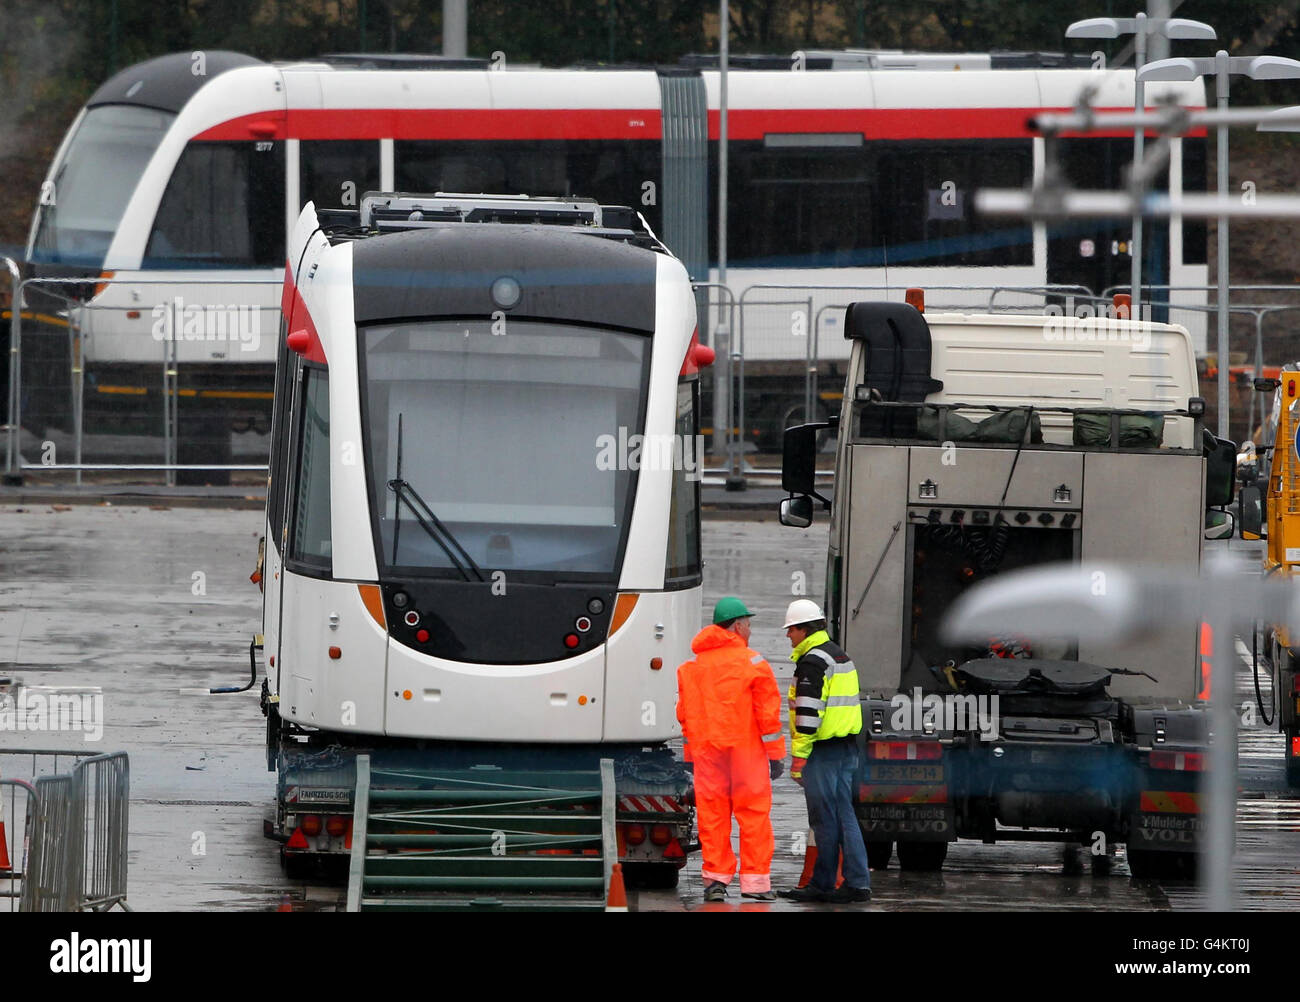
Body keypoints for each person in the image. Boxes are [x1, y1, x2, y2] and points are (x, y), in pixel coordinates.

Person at [677, 596, 786, 902]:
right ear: (737, 627)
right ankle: (756, 884)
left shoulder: (691, 668)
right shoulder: (754, 663)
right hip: (746, 756)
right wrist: (776, 755)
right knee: (753, 817)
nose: (749, 630)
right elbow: (768, 716)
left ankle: (715, 882)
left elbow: (685, 716)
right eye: (748, 625)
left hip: (708, 756)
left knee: (713, 817)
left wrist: (690, 757)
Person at [779, 599, 871, 903]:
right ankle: (857, 883)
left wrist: (799, 760)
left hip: (823, 751)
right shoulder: (840, 656)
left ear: (804, 629)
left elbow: (807, 717)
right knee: (844, 815)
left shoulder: (812, 663)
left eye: (791, 629)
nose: (788, 635)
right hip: (846, 748)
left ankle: (822, 885)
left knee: (824, 819)